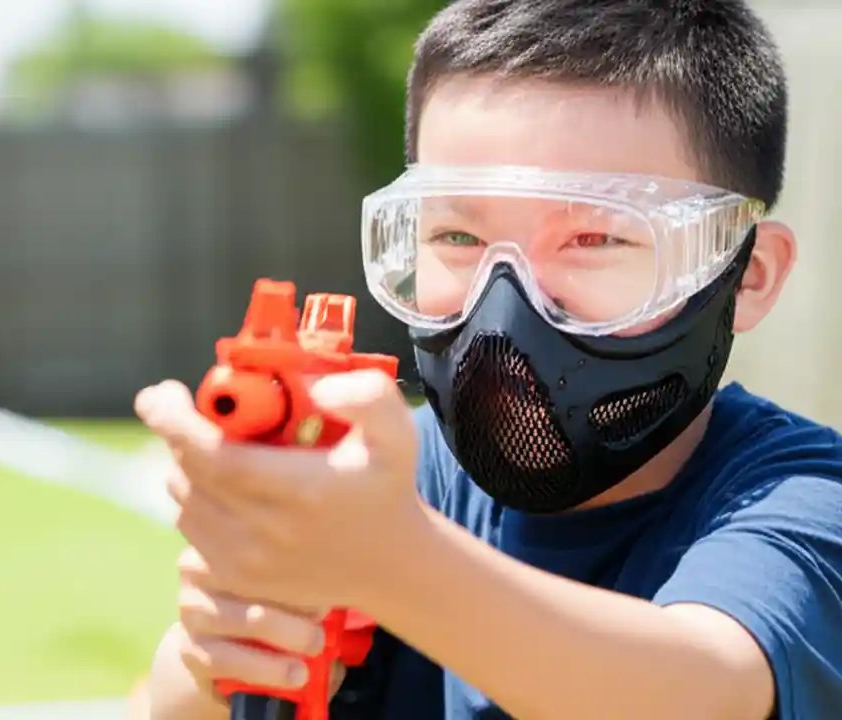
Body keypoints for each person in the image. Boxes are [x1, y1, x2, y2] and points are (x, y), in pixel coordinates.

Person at [132, 0, 842, 718]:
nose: (504, 309)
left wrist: (390, 562)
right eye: (457, 238)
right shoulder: (397, 479)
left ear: (747, 274)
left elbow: (703, 689)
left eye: (595, 240)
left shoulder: (802, 497)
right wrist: (217, 657)